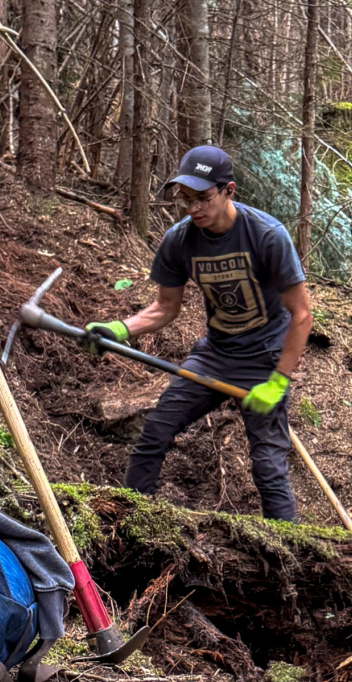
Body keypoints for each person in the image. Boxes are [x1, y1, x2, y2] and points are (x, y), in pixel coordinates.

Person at [90, 146, 312, 519]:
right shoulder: (179, 241)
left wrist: (277, 381)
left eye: (203, 198)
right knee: (154, 435)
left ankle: (290, 558)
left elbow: (301, 315)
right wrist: (119, 329)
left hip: (265, 360)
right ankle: (130, 522)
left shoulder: (267, 236)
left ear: (229, 190)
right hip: (215, 355)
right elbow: (164, 308)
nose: (194, 208)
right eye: (186, 199)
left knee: (268, 469)